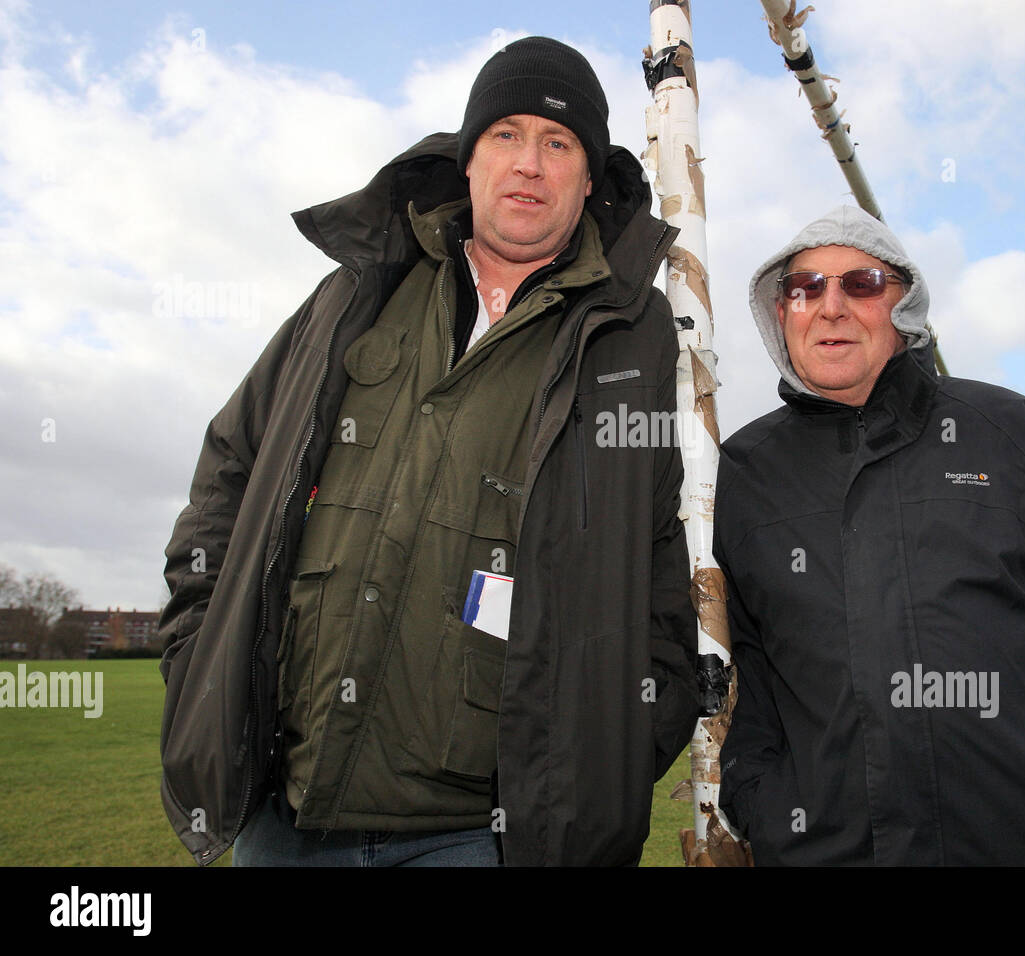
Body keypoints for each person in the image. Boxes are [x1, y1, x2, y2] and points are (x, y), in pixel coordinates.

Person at [158, 36, 700, 867]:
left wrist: (620, 748)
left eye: (558, 144)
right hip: (287, 812)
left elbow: (660, 557)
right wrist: (202, 651)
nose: (529, 164)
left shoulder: (632, 334)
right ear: (468, 159)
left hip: (481, 838)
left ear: (588, 179)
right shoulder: (360, 288)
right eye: (506, 136)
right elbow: (232, 465)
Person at [715, 206, 1025, 865]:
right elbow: (742, 661)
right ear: (780, 312)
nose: (830, 307)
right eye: (805, 288)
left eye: (861, 283)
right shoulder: (743, 470)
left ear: (904, 305)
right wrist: (758, 797)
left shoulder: (1013, 431)